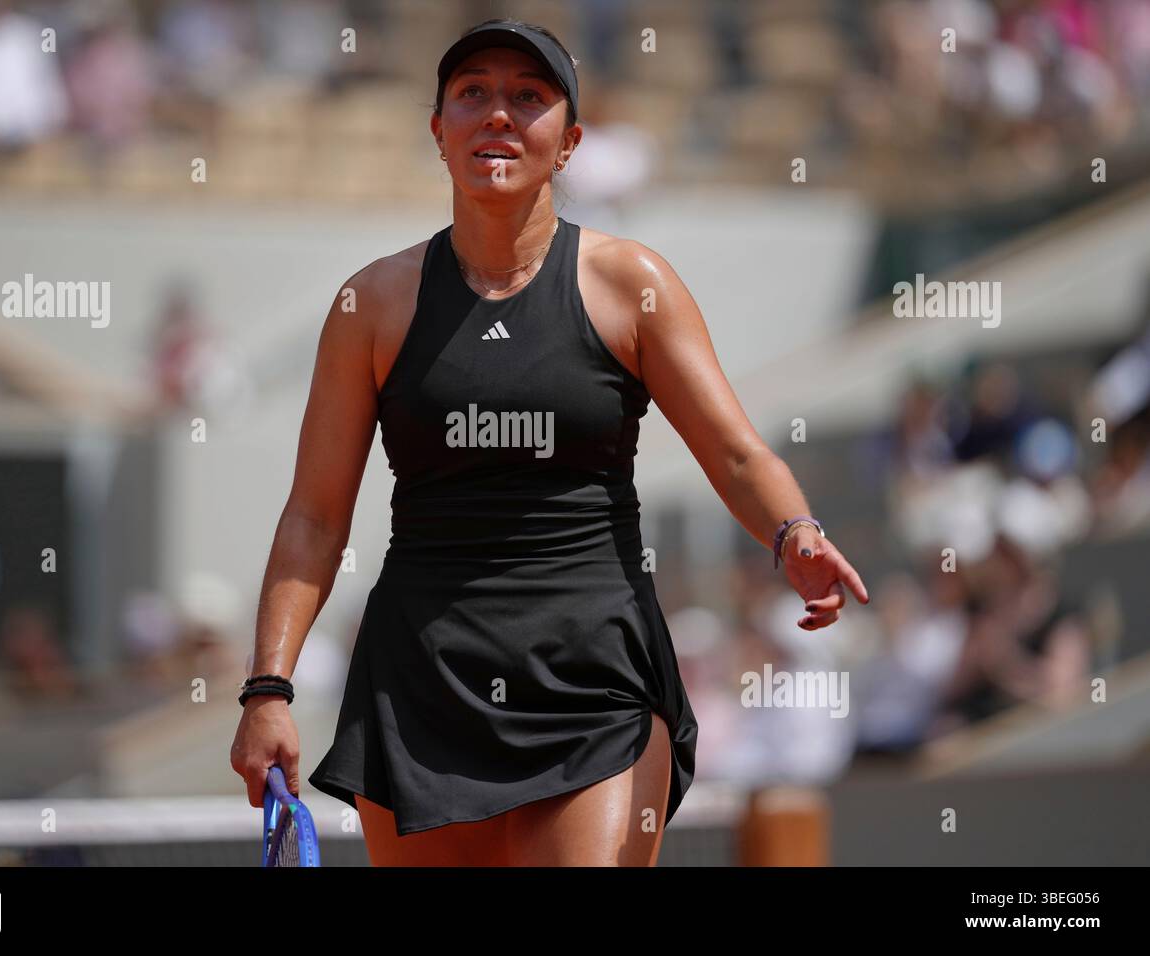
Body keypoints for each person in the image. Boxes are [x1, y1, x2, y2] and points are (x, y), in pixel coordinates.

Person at [230, 18, 869, 867]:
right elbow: (314, 518)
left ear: (568, 143)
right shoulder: (370, 306)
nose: (498, 114)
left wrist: (794, 532)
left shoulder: (631, 285)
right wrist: (268, 689)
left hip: (595, 676)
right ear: (438, 130)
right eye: (473, 94)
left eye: (528, 97)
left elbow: (739, 454)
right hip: (422, 683)